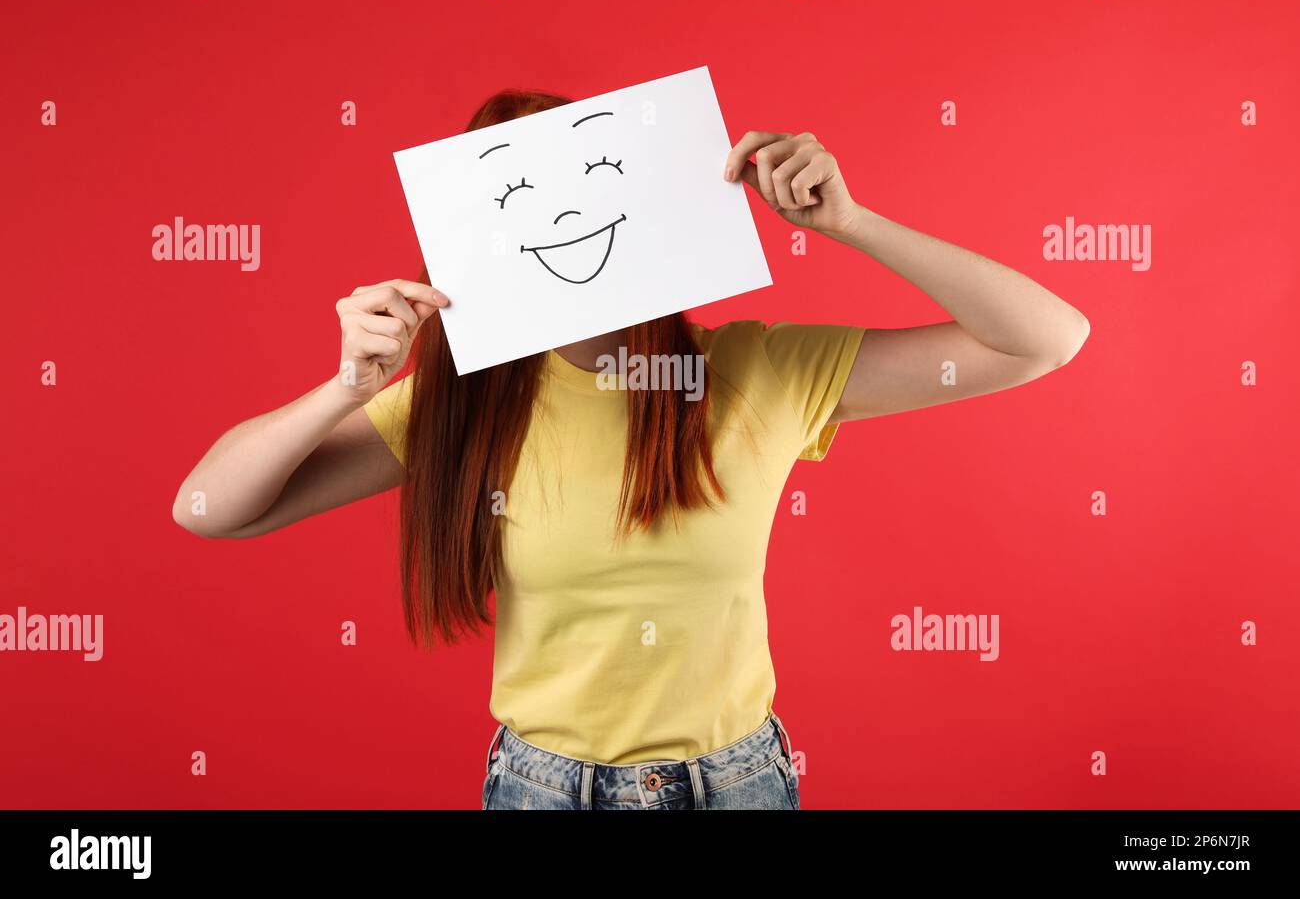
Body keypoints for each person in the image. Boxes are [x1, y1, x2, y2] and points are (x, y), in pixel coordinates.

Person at [172, 89, 1090, 810]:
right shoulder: (460, 409)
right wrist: (346, 389)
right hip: (544, 791)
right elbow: (209, 509)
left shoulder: (759, 369)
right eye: (519, 200)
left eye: (592, 182)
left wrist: (850, 222)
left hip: (738, 787)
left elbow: (1043, 339)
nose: (564, 221)